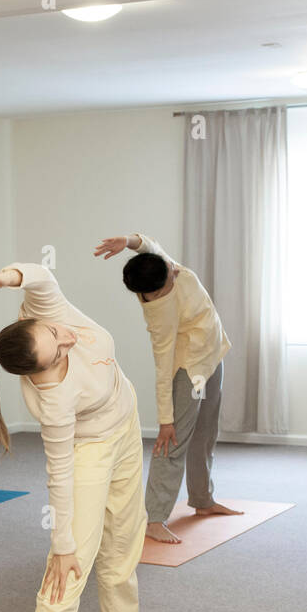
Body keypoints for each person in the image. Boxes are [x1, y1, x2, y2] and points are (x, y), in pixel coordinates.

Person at [0, 263, 179, 612]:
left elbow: (41, 275)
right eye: (57, 348)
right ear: (40, 369)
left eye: (53, 331)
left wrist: (6, 278)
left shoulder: (47, 317)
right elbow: (58, 474)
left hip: (125, 427)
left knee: (124, 542)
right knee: (67, 573)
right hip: (90, 452)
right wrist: (62, 546)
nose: (67, 337)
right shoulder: (54, 403)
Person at [94, 232, 240, 544]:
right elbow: (162, 370)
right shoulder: (160, 313)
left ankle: (202, 500)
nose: (175, 272)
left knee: (205, 434)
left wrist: (128, 240)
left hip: (214, 355)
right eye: (169, 277)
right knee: (173, 443)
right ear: (157, 291)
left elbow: (150, 246)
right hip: (190, 369)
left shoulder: (163, 266)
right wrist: (165, 421)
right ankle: (154, 518)